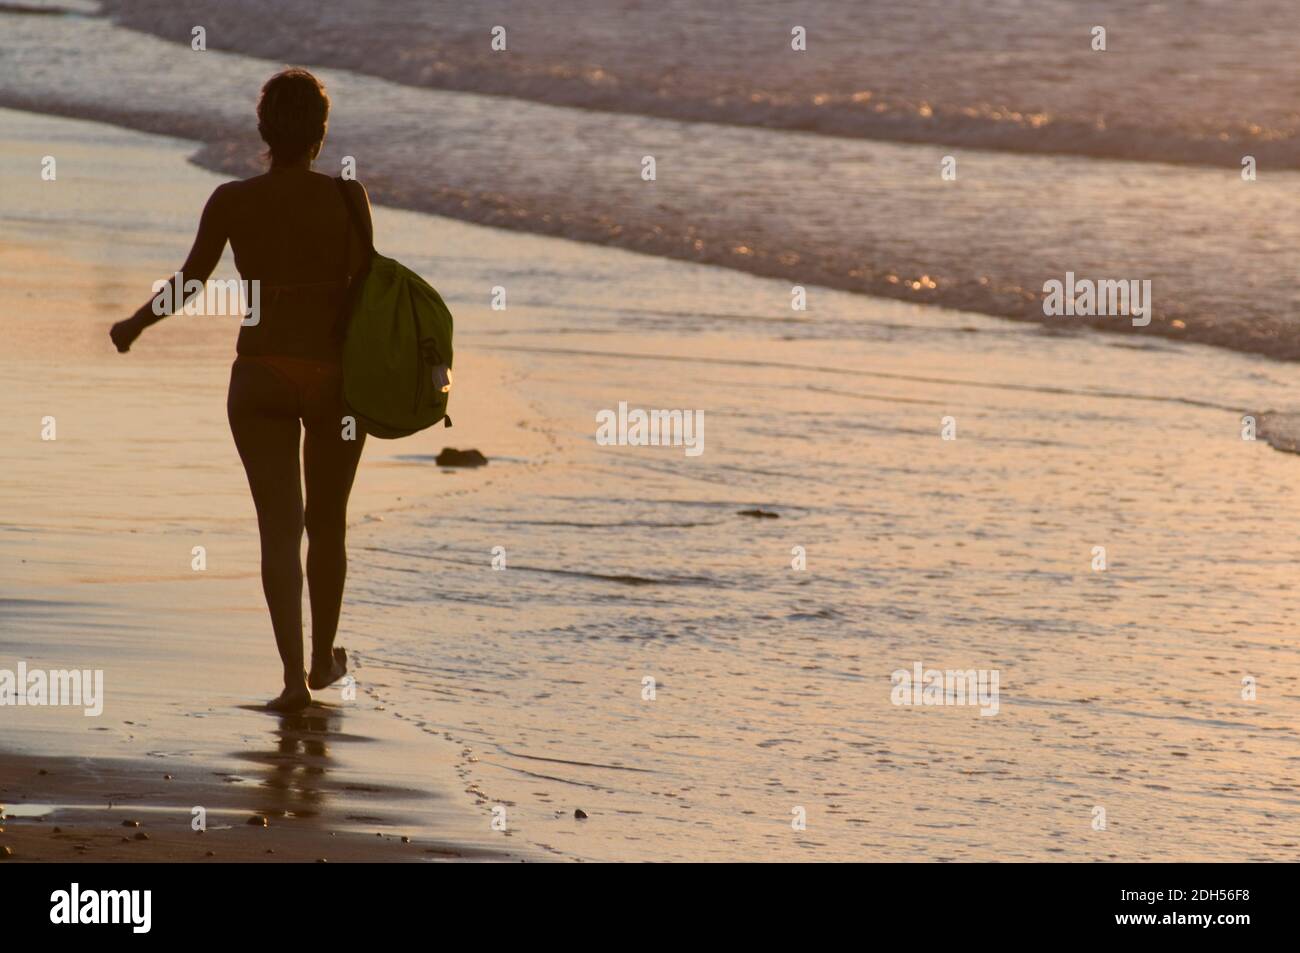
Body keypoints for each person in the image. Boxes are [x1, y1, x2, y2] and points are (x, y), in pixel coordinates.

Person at [110, 68, 373, 712]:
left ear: (262, 131)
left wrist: (135, 324)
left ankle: (290, 679)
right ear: (321, 134)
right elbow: (370, 293)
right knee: (328, 524)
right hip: (334, 379)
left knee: (278, 530)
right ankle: (321, 662)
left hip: (258, 375)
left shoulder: (231, 199)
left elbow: (190, 281)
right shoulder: (347, 198)